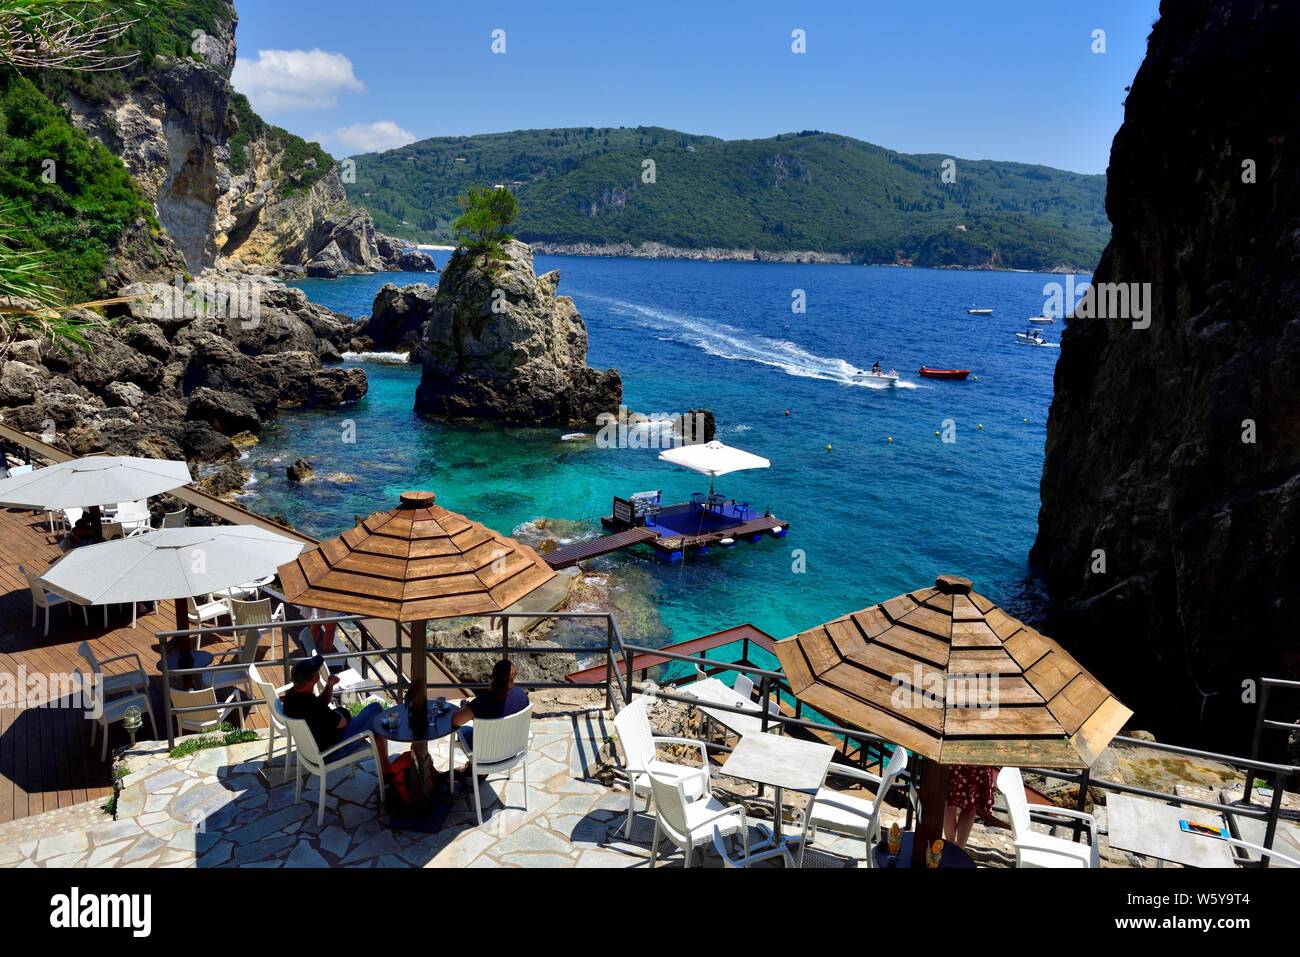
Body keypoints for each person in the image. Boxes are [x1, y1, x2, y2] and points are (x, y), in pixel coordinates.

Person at [280, 654, 389, 770]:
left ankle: (385, 767)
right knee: (375, 709)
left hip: (313, 749)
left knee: (368, 720)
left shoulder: (292, 696)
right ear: (313, 679)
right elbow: (341, 722)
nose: (318, 671)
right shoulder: (314, 707)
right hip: (331, 751)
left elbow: (321, 704)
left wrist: (329, 685)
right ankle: (386, 770)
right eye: (317, 670)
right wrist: (344, 713)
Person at [452, 659, 529, 751]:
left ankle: (471, 764)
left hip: (485, 756)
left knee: (464, 730)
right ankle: (470, 765)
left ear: (493, 676)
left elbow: (456, 721)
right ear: (513, 678)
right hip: (511, 751)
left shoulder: (482, 701)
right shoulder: (521, 695)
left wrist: (466, 708)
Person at [944, 764, 998, 849]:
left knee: (950, 803)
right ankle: (958, 850)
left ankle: (951, 847)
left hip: (957, 758)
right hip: (978, 759)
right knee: (970, 805)